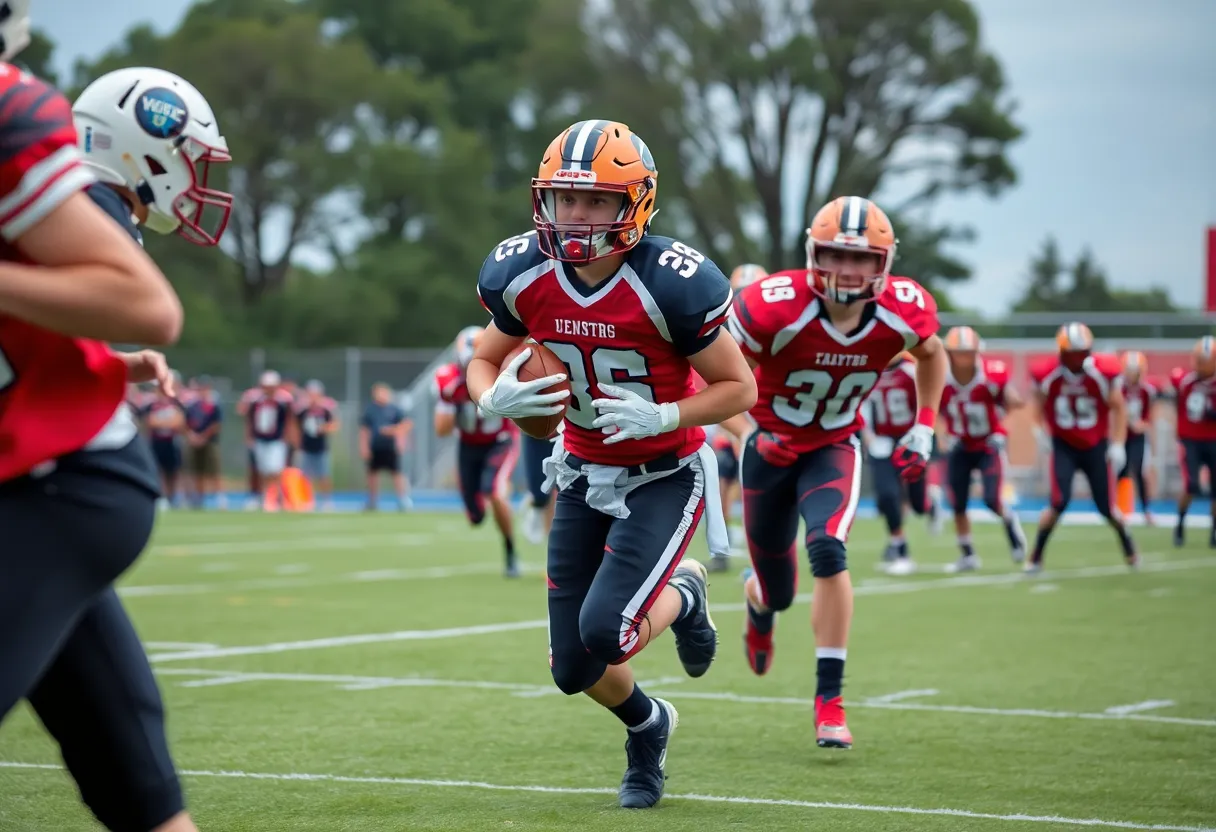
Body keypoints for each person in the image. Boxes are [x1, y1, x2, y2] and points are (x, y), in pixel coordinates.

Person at [468, 119, 755, 809]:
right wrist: (492, 398)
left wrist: (666, 414)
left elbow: (739, 388)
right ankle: (649, 726)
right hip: (582, 472)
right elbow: (482, 360)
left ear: (636, 203)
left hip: (665, 471)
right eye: (565, 199)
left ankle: (685, 593)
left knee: (608, 632)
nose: (577, 215)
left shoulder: (672, 282)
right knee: (573, 668)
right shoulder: (522, 273)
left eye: (596, 200)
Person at [0, 45, 228, 832]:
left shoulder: (78, 192)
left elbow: (134, 303)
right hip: (58, 482)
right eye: (191, 159)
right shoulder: (94, 204)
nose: (197, 179)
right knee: (145, 800)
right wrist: (105, 360)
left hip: (55, 481)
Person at [725, 195, 945, 750]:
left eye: (863, 258)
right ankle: (759, 603)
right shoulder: (772, 307)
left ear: (884, 263)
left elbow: (933, 355)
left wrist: (924, 427)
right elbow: (712, 383)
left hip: (833, 444)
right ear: (813, 255)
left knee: (828, 548)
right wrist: (753, 435)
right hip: (768, 451)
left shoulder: (903, 309)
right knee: (777, 590)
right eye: (836, 255)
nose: (849, 270)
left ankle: (830, 700)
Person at [1027, 322, 1137, 572]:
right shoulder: (1049, 373)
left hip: (1095, 445)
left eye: (1082, 351)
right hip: (1063, 444)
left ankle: (1128, 544)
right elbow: (1037, 402)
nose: (1078, 358)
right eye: (1073, 352)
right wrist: (1039, 429)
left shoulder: (1102, 372)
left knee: (1107, 508)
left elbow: (1119, 407)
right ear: (1062, 352)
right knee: (1058, 502)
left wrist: (1118, 443)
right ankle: (1035, 556)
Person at [434, 326, 521, 576]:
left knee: (493, 491)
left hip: (500, 440)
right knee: (475, 517)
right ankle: (491, 501)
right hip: (468, 444)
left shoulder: (502, 373)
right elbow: (440, 429)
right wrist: (451, 401)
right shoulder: (448, 381)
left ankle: (510, 550)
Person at [938, 326, 1027, 571]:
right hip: (960, 444)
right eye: (959, 352)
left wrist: (1001, 431)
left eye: (968, 352)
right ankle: (967, 554)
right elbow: (933, 410)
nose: (964, 357)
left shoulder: (991, 376)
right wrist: (943, 435)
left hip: (988, 445)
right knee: (957, 503)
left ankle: (1010, 522)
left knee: (991, 499)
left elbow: (1012, 406)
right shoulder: (941, 378)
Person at [860, 351, 943, 574]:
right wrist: (867, 435)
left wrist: (922, 432)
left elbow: (929, 399)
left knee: (917, 505)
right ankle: (901, 550)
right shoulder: (868, 367)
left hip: (910, 439)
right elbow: (860, 405)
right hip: (882, 440)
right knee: (887, 496)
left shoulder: (911, 370)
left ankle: (930, 504)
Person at [1168, 336, 1216, 546]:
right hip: (1190, 440)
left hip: (1213, 440)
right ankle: (1180, 523)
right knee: (1192, 485)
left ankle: (1214, 531)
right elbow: (1170, 383)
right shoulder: (1185, 381)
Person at [243, 370, 298, 511]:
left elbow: (289, 420)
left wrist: (290, 437)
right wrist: (249, 437)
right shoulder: (255, 400)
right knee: (262, 471)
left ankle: (278, 498)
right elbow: (248, 418)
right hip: (260, 439)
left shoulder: (283, 400)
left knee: (277, 470)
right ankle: (263, 498)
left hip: (277, 439)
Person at [1119, 351, 1159, 525]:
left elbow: (1149, 418)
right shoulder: (1118, 388)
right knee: (1120, 470)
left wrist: (1139, 425)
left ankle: (1146, 508)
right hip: (1120, 436)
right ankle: (1118, 507)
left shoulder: (1146, 391)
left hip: (1137, 437)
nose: (1132, 374)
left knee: (1139, 471)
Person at [360, 381, 411, 511]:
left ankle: (403, 500)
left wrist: (395, 433)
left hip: (390, 447)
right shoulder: (370, 410)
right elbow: (364, 430)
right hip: (375, 447)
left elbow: (406, 425)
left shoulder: (395, 409)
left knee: (397, 474)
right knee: (372, 474)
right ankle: (372, 501)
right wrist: (364, 447)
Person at [296, 380, 340, 510]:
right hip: (305, 446)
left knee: (324, 475)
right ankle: (307, 500)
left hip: (321, 446)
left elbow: (335, 425)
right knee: (305, 476)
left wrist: (323, 428)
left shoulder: (326, 408)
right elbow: (295, 425)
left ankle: (327, 501)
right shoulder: (302, 409)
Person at [183, 375, 223, 509]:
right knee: (197, 471)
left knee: (213, 471)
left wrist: (203, 437)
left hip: (209, 442)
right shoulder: (192, 406)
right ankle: (199, 499)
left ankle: (220, 499)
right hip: (194, 442)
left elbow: (216, 425)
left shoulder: (214, 405)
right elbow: (186, 423)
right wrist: (192, 436)